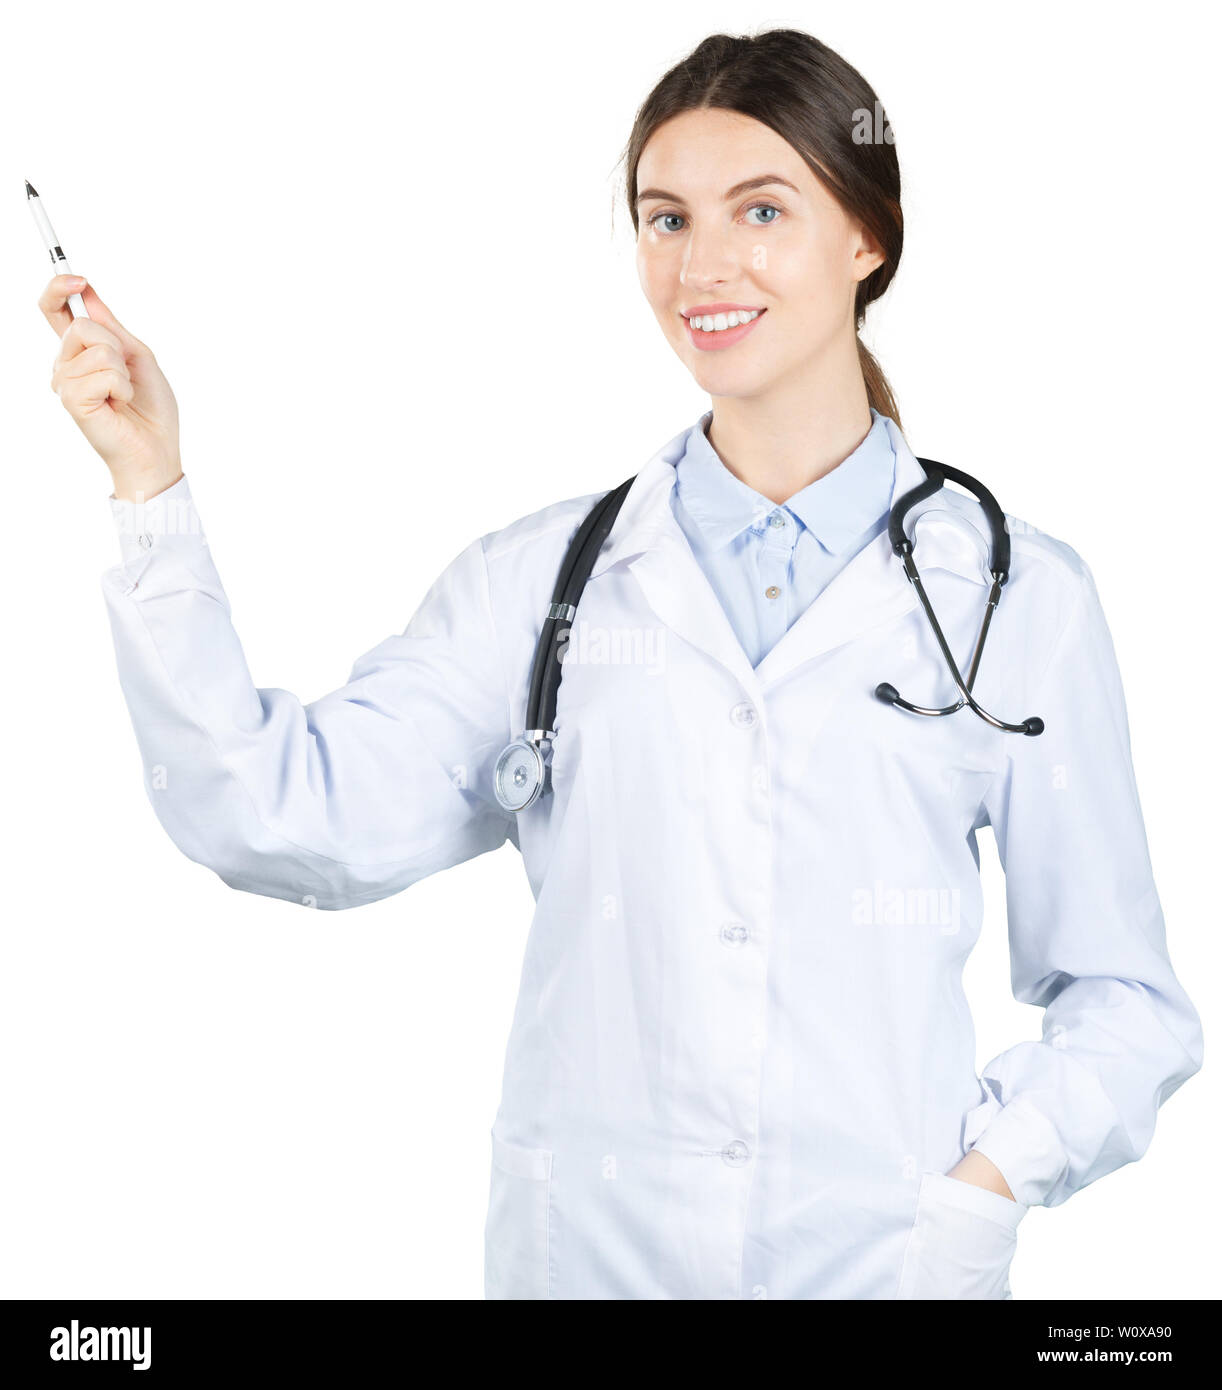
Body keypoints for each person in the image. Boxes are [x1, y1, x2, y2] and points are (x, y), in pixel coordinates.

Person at [40, 28, 1201, 1300]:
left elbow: (1123, 996)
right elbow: (275, 813)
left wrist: (985, 1182)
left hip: (882, 1271)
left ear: (868, 237)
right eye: (664, 218)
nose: (702, 265)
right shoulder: (540, 583)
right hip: (591, 1265)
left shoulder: (1018, 596)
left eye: (762, 209)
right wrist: (151, 489)